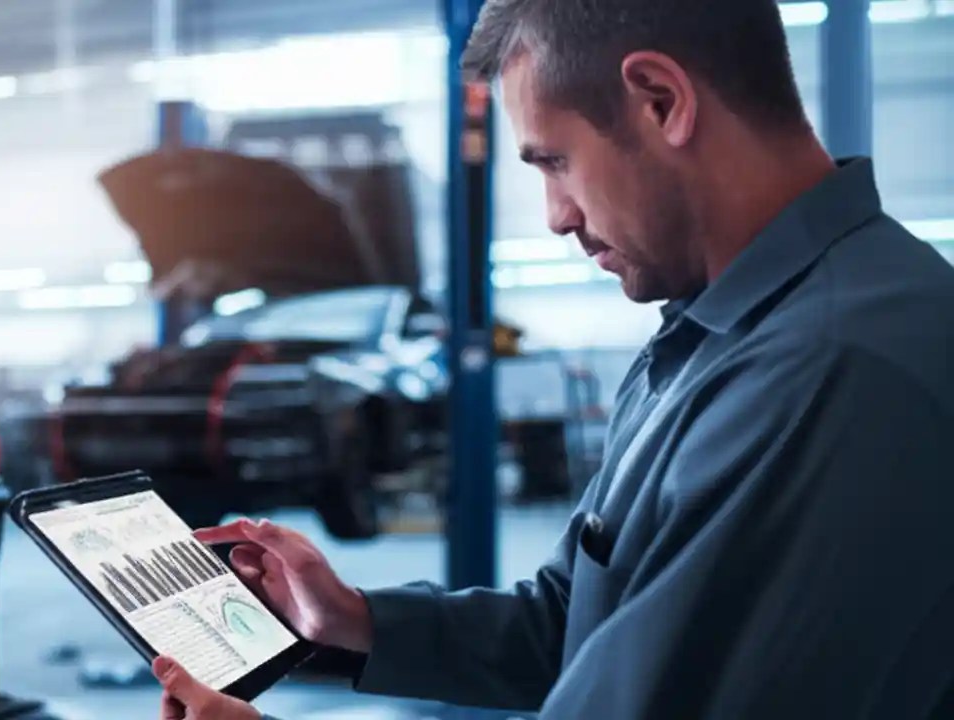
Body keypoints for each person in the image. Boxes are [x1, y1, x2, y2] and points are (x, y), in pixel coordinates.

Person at [151, 0, 954, 717]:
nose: (556, 217)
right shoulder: (707, 338)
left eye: (555, 161)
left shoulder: (832, 373)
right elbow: (579, 628)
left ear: (661, 101)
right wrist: (355, 618)